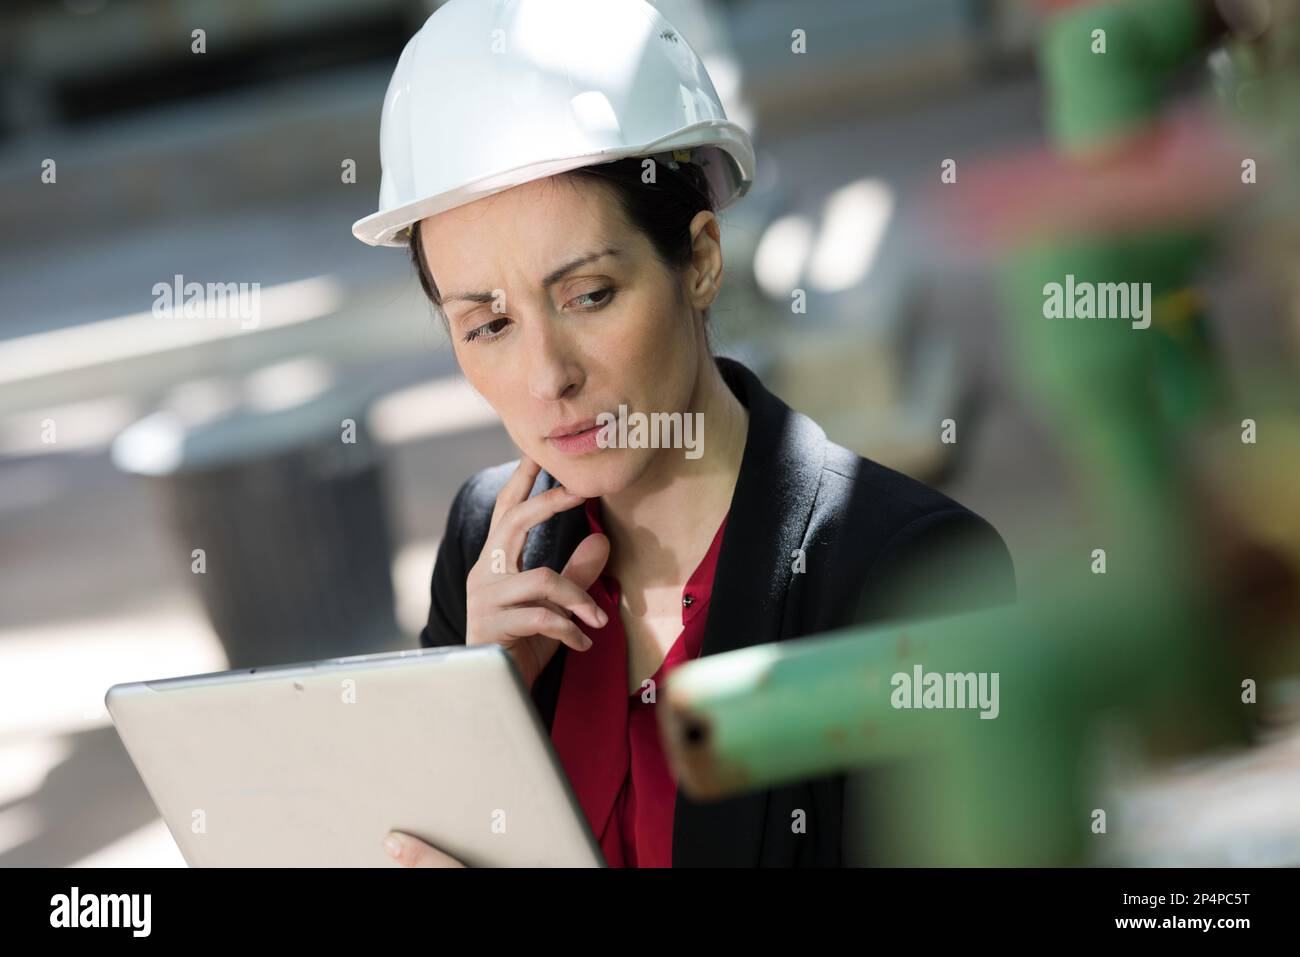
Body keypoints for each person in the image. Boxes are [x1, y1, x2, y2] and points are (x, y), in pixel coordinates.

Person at [353, 0, 1016, 868]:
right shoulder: (490, 552)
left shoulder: (906, 574)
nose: (548, 375)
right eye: (487, 324)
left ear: (700, 259)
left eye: (588, 295)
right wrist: (476, 705)